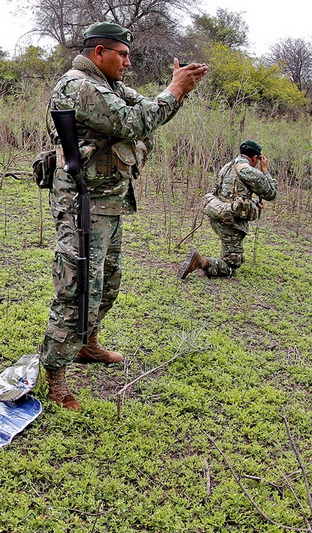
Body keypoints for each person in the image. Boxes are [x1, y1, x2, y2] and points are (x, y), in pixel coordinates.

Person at [40, 22, 209, 410]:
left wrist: (173, 91)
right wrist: (175, 91)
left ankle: (88, 344)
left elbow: (146, 110)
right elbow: (133, 121)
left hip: (109, 202)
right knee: (78, 288)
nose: (128, 62)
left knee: (108, 282)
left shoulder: (108, 85)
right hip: (83, 205)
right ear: (100, 53)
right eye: (123, 54)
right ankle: (56, 376)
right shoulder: (79, 85)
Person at [179, 140, 278, 279]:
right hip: (231, 222)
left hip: (217, 213)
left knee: (234, 255)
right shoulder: (249, 171)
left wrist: (253, 202)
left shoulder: (228, 165)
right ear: (255, 157)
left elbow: (230, 193)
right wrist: (265, 170)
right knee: (231, 266)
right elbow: (272, 193)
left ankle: (218, 257)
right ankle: (199, 262)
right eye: (258, 159)